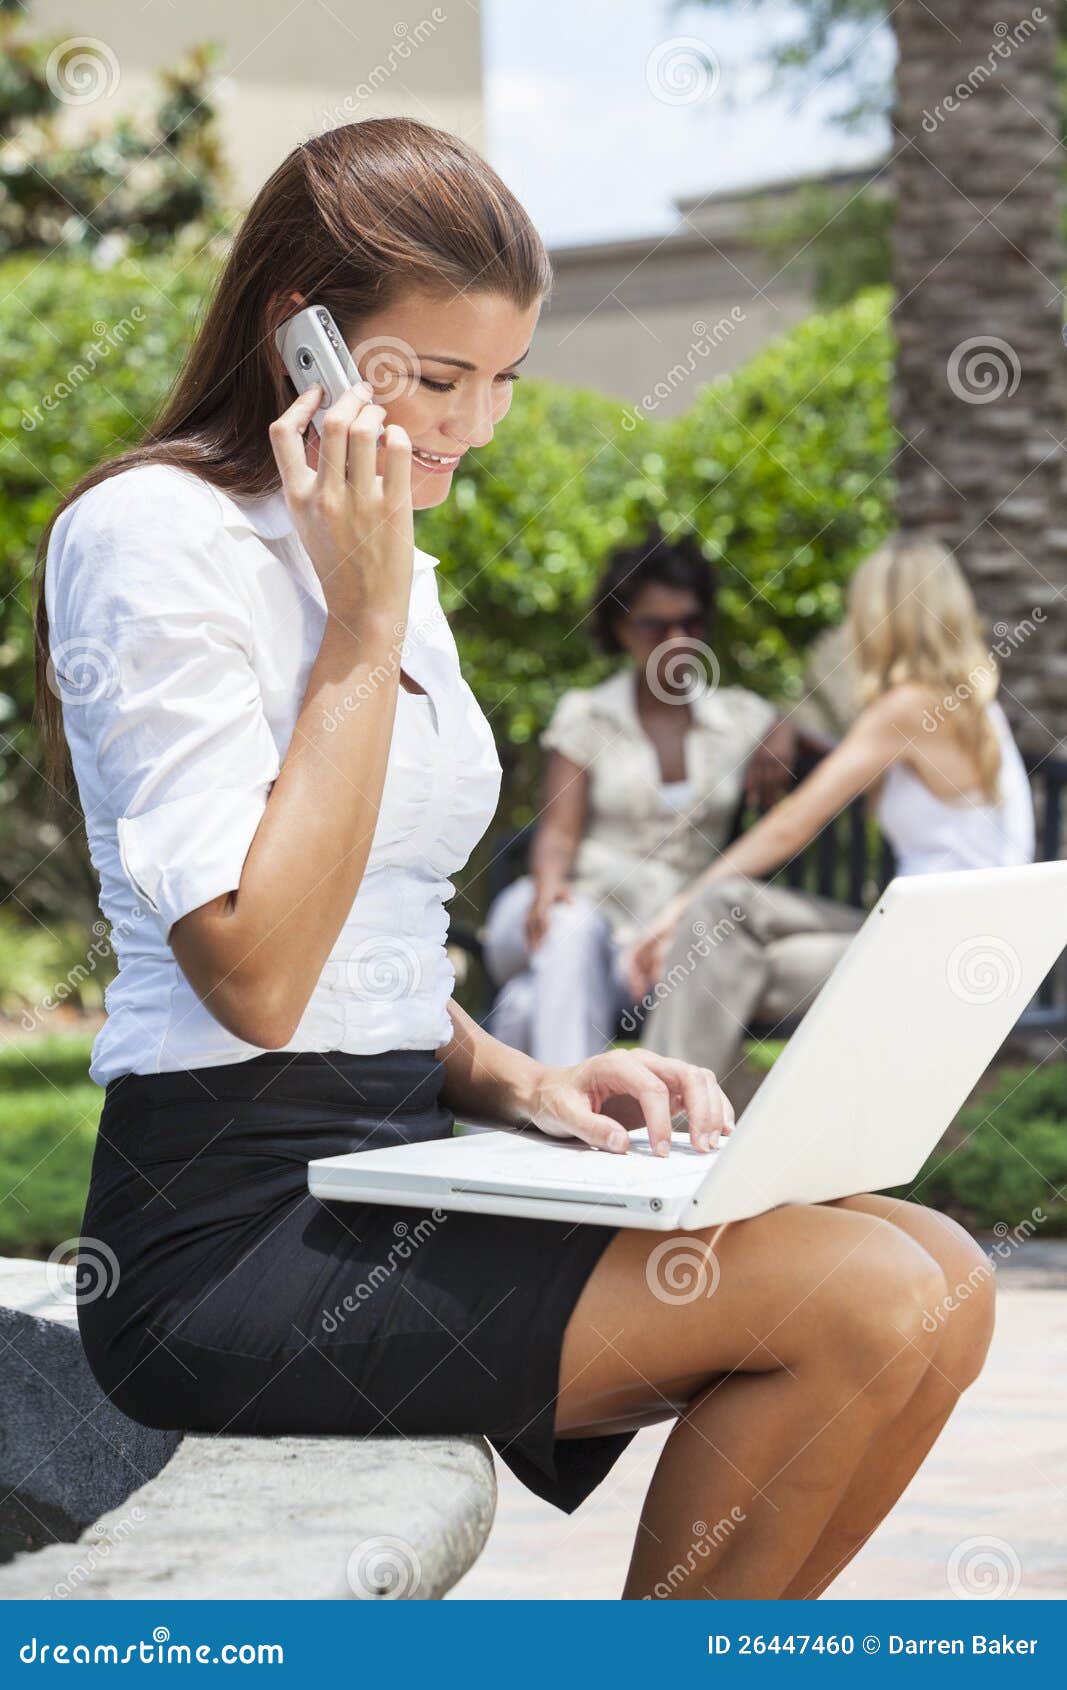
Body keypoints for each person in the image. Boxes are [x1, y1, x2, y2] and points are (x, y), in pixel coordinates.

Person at [35, 119, 993, 1601]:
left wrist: (524, 1080)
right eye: (430, 377)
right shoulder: (152, 536)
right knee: (860, 1297)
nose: (470, 427)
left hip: (405, 1156)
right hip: (227, 1237)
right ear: (302, 338)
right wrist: (355, 632)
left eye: (500, 382)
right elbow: (261, 976)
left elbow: (375, 939)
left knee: (942, 1272)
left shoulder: (381, 558)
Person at [628, 533, 1036, 1097]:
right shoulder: (967, 703)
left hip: (946, 954)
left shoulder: (910, 707)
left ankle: (658, 1119)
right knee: (720, 918)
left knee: (721, 952)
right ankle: (692, 1120)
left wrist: (672, 911)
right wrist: (786, 726)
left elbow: (798, 819)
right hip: (933, 930)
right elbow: (831, 740)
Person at [483, 528, 805, 1065]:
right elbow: (558, 832)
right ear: (620, 627)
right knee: (572, 928)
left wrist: (785, 726)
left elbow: (840, 737)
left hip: (661, 948)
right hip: (569, 918)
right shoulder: (588, 715)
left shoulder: (738, 717)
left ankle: (545, 1125)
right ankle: (576, 1110)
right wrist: (548, 887)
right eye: (657, 626)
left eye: (692, 623)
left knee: (523, 1005)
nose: (677, 640)